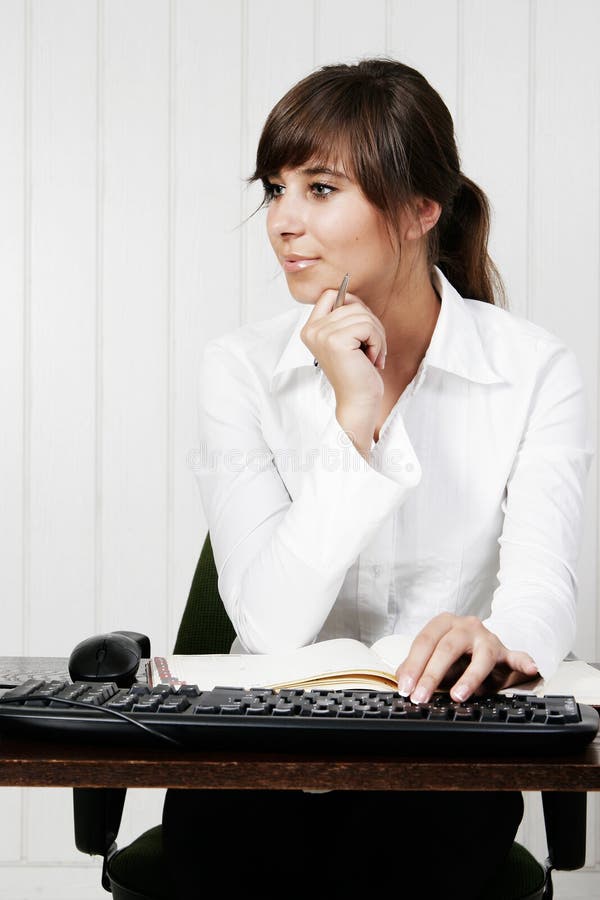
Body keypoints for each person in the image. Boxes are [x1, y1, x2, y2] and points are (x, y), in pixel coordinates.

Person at [163, 59, 592, 898]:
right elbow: (274, 624)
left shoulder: (535, 369)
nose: (283, 221)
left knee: (405, 858)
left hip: (443, 756)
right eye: (275, 188)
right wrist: (351, 418)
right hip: (259, 761)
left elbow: (545, 589)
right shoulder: (241, 370)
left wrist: (498, 645)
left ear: (418, 210)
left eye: (320, 189)